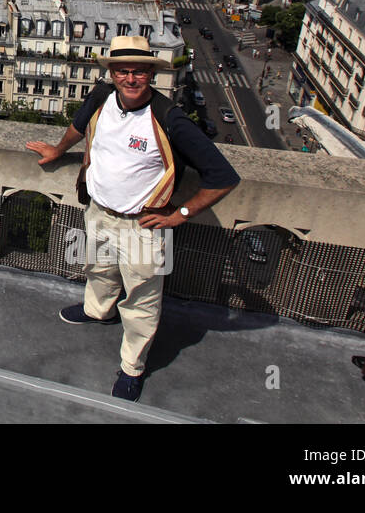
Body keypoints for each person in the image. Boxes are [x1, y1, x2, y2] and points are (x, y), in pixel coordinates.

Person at [25, 36, 240, 403]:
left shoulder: (171, 119)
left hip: (143, 224)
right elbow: (80, 124)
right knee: (98, 268)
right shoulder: (101, 97)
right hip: (98, 208)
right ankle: (99, 310)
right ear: (112, 73)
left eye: (138, 72)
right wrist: (60, 149)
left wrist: (180, 215)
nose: (130, 78)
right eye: (122, 71)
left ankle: (132, 367)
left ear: (150, 75)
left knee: (142, 298)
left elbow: (223, 177)